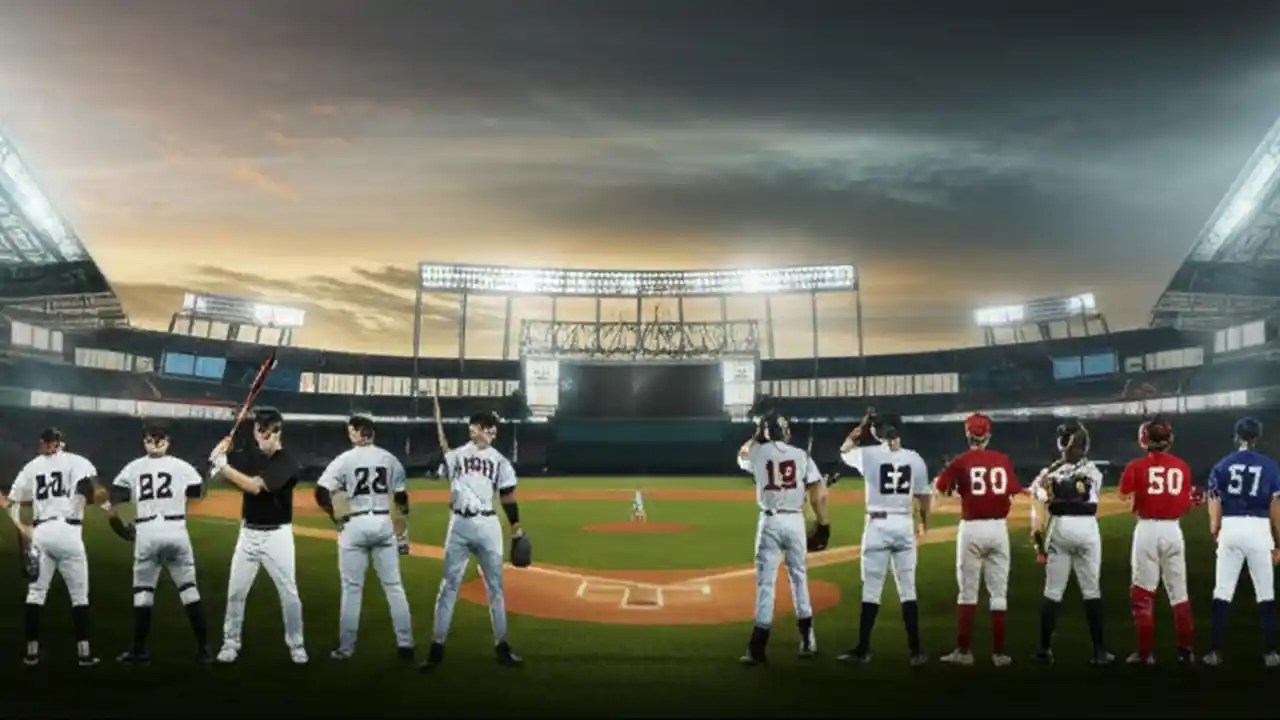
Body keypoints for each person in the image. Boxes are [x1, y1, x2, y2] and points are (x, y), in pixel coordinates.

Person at [422, 406, 524, 670]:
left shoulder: (500, 461)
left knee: (496, 589)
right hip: (459, 525)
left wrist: (516, 528)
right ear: (474, 429)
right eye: (487, 429)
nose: (491, 434)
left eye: (493, 430)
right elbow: (434, 473)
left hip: (489, 524)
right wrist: (439, 460)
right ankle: (436, 648)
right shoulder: (455, 455)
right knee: (448, 587)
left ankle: (502, 646)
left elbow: (508, 496)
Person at [208, 406, 308, 664]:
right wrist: (219, 456)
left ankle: (296, 644)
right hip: (248, 534)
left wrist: (223, 467)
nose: (263, 437)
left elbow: (254, 487)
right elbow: (224, 476)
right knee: (235, 593)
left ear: (278, 431)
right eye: (259, 431)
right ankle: (230, 643)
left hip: (277, 537)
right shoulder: (250, 456)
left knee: (289, 593)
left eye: (269, 432)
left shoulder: (288, 462)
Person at [107, 420, 212, 664]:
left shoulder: (132, 468)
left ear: (145, 441)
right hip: (176, 529)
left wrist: (124, 532)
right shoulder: (182, 466)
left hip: (146, 531)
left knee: (143, 593)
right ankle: (204, 649)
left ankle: (139, 650)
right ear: (167, 441)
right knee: (189, 589)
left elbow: (112, 511)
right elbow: (197, 492)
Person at [314, 414, 415, 661]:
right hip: (383, 521)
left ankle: (346, 648)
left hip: (355, 522)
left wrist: (334, 515)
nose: (350, 435)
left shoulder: (344, 459)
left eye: (351, 431)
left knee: (351, 589)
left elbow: (320, 492)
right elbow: (401, 499)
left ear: (359, 433)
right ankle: (406, 644)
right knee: (394, 586)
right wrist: (402, 533)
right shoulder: (389, 458)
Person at [837, 409, 932, 666]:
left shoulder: (867, 454)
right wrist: (923, 523)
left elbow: (845, 449)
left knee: (871, 588)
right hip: (903, 522)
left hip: (877, 525)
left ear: (877, 432)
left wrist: (860, 426)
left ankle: (863, 649)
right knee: (908, 589)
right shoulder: (915, 459)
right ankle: (916, 651)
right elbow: (924, 496)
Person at [5, 427, 105, 667]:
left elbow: (11, 503)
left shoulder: (31, 466)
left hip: (41, 532)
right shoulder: (77, 460)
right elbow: (95, 490)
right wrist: (98, 503)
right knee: (79, 596)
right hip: (69, 531)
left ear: (44, 443)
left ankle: (31, 653)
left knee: (36, 593)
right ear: (62, 443)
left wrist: (21, 527)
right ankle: (84, 654)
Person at [736, 413, 829, 664]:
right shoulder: (801, 455)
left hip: (769, 521)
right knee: (799, 578)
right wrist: (823, 525)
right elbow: (818, 494)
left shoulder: (757, 452)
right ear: (785, 431)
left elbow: (742, 455)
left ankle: (757, 648)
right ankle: (808, 640)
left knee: (766, 583)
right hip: (795, 520)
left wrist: (755, 437)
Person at [933, 413, 1023, 667]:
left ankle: (964, 652)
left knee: (967, 593)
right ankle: (999, 654)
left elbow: (941, 488)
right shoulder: (1003, 460)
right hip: (998, 529)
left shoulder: (961, 461)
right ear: (988, 435)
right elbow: (1014, 492)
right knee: (999, 594)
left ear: (967, 434)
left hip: (971, 528)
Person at [1030, 419, 1114, 665]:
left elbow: (1037, 491)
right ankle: (1099, 651)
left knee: (1053, 591)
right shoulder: (1094, 471)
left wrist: (1052, 478)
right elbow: (1084, 492)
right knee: (1091, 590)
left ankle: (1044, 650)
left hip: (1061, 527)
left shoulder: (1051, 472)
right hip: (1087, 528)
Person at [1116, 416, 1196, 665]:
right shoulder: (1182, 466)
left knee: (1143, 592)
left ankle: (1144, 654)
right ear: (1169, 439)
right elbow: (1186, 502)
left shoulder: (1136, 466)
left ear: (1143, 439)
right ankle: (1185, 650)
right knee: (1179, 593)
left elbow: (1123, 495)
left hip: (1147, 529)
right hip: (1173, 530)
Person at [1202, 416, 1280, 668]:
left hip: (1231, 526)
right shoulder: (1269, 466)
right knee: (1265, 593)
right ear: (1257, 437)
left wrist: (1215, 529)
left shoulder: (1223, 465)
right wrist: (1278, 541)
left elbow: (1213, 499)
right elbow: (1275, 505)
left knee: (1222, 591)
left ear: (1237, 436)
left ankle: (1214, 652)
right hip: (1258, 528)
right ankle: (1271, 653)